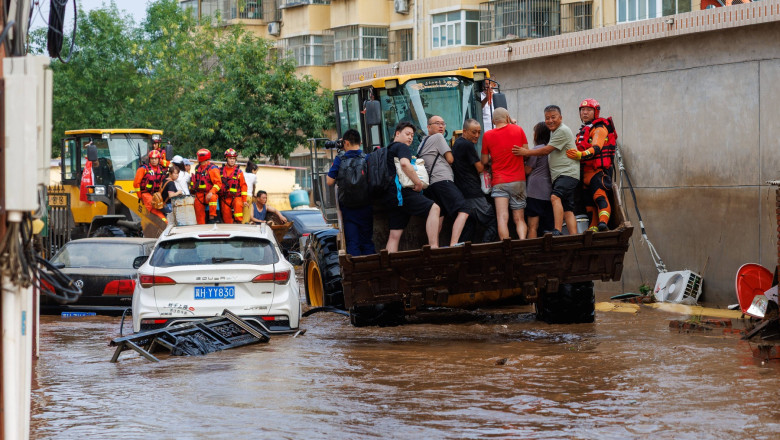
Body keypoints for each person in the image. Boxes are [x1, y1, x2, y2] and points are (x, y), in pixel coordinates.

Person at [514, 105, 579, 236]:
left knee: (555, 198)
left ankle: (557, 230)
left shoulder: (561, 131)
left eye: (553, 117)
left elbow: (545, 151)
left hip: (563, 175)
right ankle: (574, 237)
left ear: (560, 118)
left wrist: (525, 152)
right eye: (547, 118)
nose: (550, 120)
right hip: (562, 177)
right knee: (568, 209)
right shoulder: (555, 133)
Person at [384, 121, 441, 252]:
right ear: (397, 134)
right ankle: (434, 248)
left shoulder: (388, 149)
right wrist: (418, 182)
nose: (410, 137)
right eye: (407, 134)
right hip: (403, 193)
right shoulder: (401, 147)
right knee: (434, 208)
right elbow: (405, 164)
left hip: (392, 196)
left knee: (394, 235)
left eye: (412, 135)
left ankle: (388, 267)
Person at [417, 115, 470, 246]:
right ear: (428, 127)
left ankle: (433, 246)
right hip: (442, 180)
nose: (441, 126)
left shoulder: (421, 144)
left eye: (443, 123)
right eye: (437, 123)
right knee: (464, 208)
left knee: (439, 215)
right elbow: (450, 159)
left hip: (431, 185)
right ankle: (453, 244)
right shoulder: (438, 137)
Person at [566, 98, 617, 232]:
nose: (585, 112)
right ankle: (593, 226)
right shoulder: (582, 132)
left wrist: (580, 155)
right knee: (588, 203)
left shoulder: (600, 128)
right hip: (584, 172)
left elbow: (597, 148)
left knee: (599, 196)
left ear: (596, 112)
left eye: (589, 110)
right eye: (582, 110)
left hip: (597, 171)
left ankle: (603, 223)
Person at [326, 129, 376, 256]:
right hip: (366, 206)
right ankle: (371, 269)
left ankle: (356, 272)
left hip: (348, 208)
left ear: (346, 143)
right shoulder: (368, 158)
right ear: (360, 142)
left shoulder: (339, 159)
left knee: (353, 242)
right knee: (367, 241)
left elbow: (329, 182)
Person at [481, 108, 529, 240]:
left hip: (499, 181)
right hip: (518, 180)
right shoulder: (518, 129)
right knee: (519, 218)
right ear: (508, 117)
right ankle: (522, 241)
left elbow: (484, 160)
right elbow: (526, 153)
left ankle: (505, 246)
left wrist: (494, 157)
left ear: (493, 121)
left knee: (502, 217)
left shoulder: (487, 135)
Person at [451, 118, 498, 243]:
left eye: (479, 132)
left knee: (469, 226)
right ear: (464, 131)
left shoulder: (457, 143)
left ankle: (463, 256)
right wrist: (490, 160)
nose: (477, 135)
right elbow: (480, 168)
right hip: (473, 192)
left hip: (462, 191)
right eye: (473, 132)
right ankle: (485, 249)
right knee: (494, 221)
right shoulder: (467, 145)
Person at [525, 122, 555, 238]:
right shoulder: (552, 150)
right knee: (548, 229)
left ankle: (530, 252)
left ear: (537, 135)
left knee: (532, 227)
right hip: (549, 193)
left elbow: (527, 170)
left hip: (534, 192)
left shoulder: (536, 150)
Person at [132, 149, 167, 222]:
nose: (154, 160)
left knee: (163, 208)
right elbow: (136, 184)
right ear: (149, 159)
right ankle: (164, 222)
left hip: (157, 194)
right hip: (146, 194)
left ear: (159, 159)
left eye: (155, 158)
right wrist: (140, 196)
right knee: (154, 209)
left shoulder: (161, 169)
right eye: (152, 159)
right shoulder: (143, 169)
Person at [191, 148, 222, 224]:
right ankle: (200, 225)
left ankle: (212, 217)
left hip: (209, 193)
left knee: (213, 197)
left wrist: (211, 192)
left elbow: (218, 184)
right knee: (198, 211)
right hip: (199, 194)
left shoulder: (213, 169)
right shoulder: (198, 168)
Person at [218, 148, 248, 224]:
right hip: (224, 198)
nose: (232, 160)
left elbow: (243, 186)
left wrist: (244, 200)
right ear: (226, 159)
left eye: (234, 159)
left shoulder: (239, 172)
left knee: (238, 208)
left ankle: (239, 224)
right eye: (230, 158)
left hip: (236, 197)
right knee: (226, 219)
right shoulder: (219, 170)